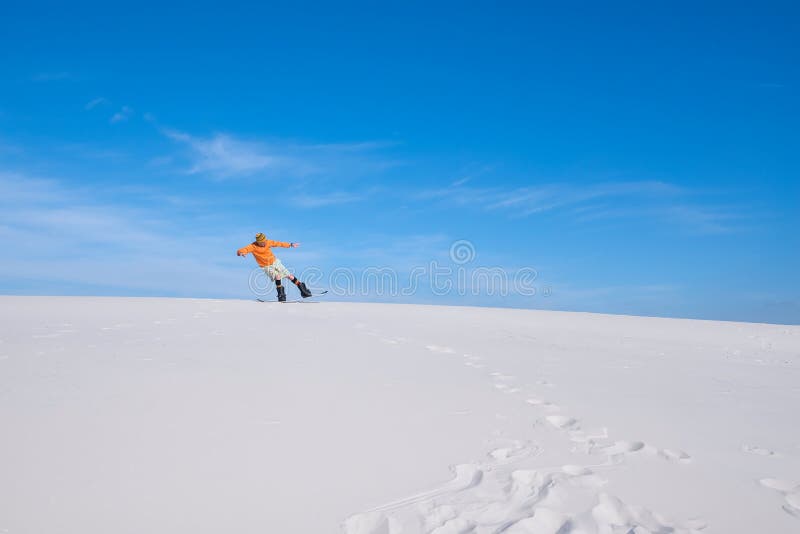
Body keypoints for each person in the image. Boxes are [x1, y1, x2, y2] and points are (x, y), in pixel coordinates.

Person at [237, 232, 312, 301]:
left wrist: (290, 245)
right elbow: (243, 249)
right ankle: (281, 295)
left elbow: (279, 244)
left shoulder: (268, 242)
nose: (264, 243)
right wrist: (241, 253)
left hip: (275, 262)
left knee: (290, 276)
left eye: (264, 241)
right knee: (277, 276)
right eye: (262, 242)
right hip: (266, 266)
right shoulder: (253, 246)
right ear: (258, 242)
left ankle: (303, 291)